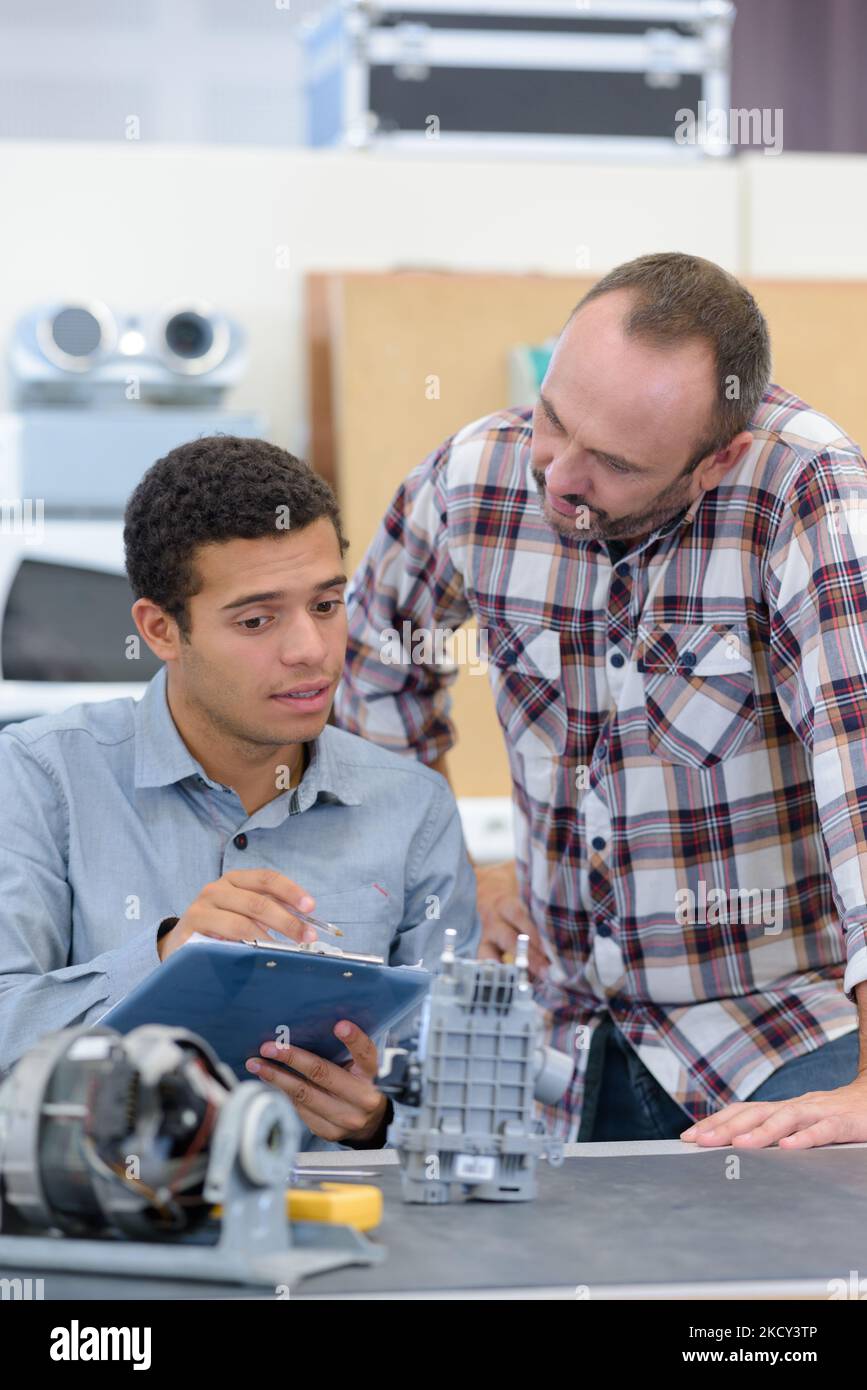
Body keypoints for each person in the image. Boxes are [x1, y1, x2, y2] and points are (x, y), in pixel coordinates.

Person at [335, 251, 867, 1148]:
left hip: (768, 1025)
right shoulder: (474, 476)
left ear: (717, 457)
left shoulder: (804, 495)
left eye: (614, 464)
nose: (558, 475)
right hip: (558, 1036)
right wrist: (453, 876)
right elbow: (373, 670)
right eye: (552, 418)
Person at [0, 436, 479, 1149]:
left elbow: (466, 1088)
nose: (309, 650)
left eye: (325, 604)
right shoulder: (37, 777)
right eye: (257, 620)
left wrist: (381, 1120)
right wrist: (161, 959)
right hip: (99, 1231)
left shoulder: (412, 808)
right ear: (160, 629)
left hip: (344, 1239)